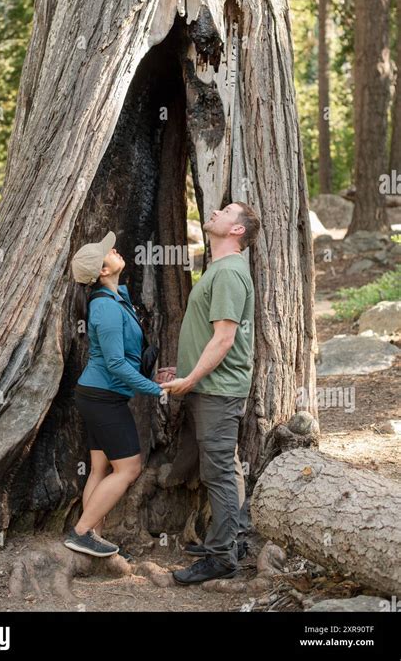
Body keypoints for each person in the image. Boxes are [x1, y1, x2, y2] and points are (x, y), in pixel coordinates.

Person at [161, 202, 260, 584]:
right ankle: (230, 539)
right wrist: (184, 371)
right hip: (210, 385)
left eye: (227, 211)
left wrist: (190, 380)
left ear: (237, 231)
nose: (216, 212)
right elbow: (211, 335)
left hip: (218, 390)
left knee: (217, 472)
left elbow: (224, 338)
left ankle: (222, 559)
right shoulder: (220, 269)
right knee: (226, 466)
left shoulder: (231, 272)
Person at [64, 231, 166, 558]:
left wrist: (154, 375)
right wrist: (156, 390)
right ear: (103, 271)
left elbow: (129, 356)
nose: (115, 249)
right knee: (129, 469)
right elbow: (116, 364)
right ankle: (81, 533)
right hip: (102, 397)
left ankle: (92, 535)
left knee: (99, 469)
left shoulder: (115, 298)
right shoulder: (105, 308)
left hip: (97, 394)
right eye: (108, 251)